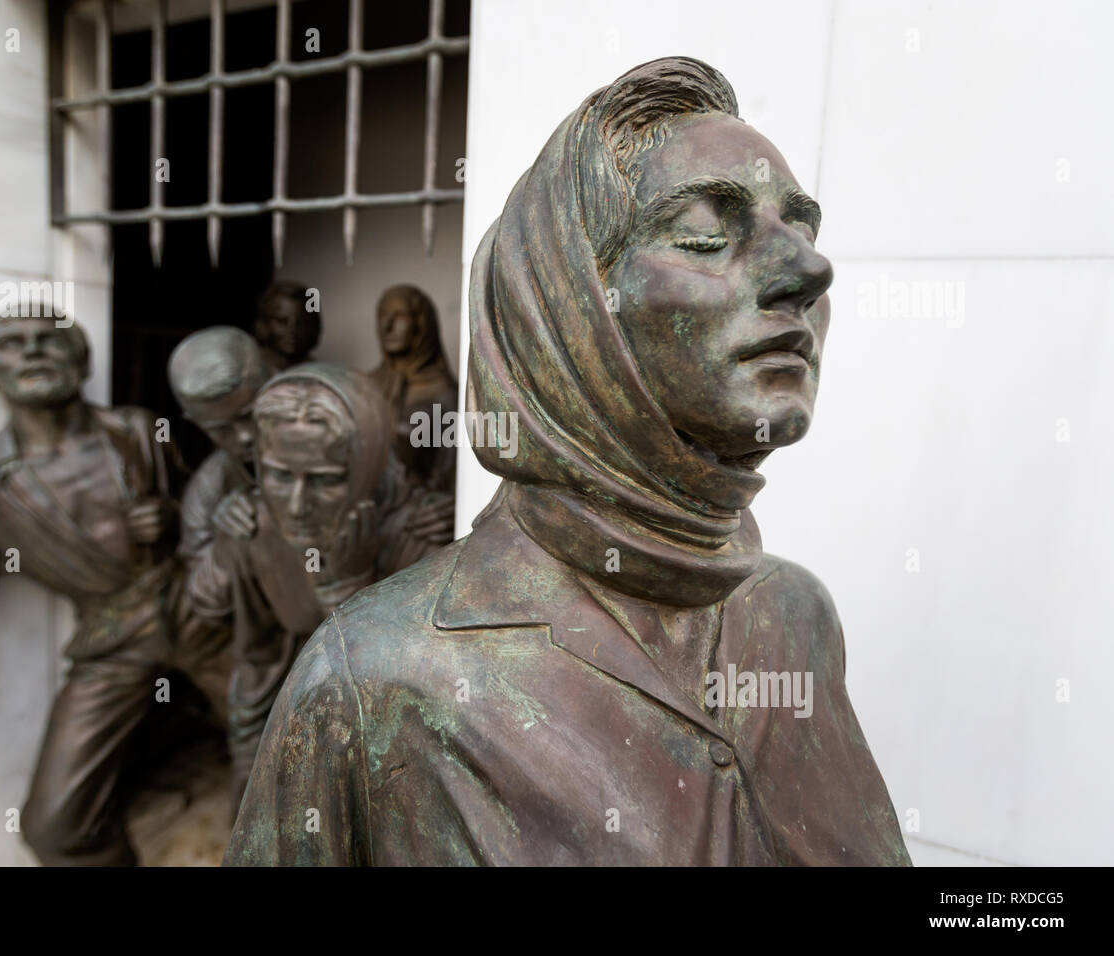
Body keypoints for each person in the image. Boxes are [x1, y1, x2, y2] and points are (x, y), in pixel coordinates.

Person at [225, 58, 910, 866]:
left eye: (803, 230)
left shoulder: (793, 617)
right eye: (702, 235)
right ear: (564, 305)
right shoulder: (371, 675)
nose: (807, 270)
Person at [0, 313, 222, 866]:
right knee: (54, 827)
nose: (33, 352)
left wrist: (174, 521)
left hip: (202, 612)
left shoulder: (139, 430)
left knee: (289, 753)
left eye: (49, 339)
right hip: (111, 640)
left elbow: (217, 516)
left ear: (83, 360)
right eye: (12, 344)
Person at [186, 363, 453, 805]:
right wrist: (226, 548)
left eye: (325, 481)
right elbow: (206, 605)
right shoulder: (251, 518)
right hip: (267, 704)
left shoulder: (415, 533)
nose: (296, 503)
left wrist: (347, 585)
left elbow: (409, 688)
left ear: (366, 465)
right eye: (278, 474)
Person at [368, 284, 458, 495]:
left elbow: (448, 477)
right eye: (383, 315)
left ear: (422, 325)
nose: (387, 326)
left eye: (400, 316)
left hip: (415, 511)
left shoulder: (444, 394)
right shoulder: (365, 385)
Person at [251, 280, 320, 375]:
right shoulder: (248, 371)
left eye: (301, 322)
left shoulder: (319, 375)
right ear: (263, 323)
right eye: (281, 321)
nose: (292, 330)